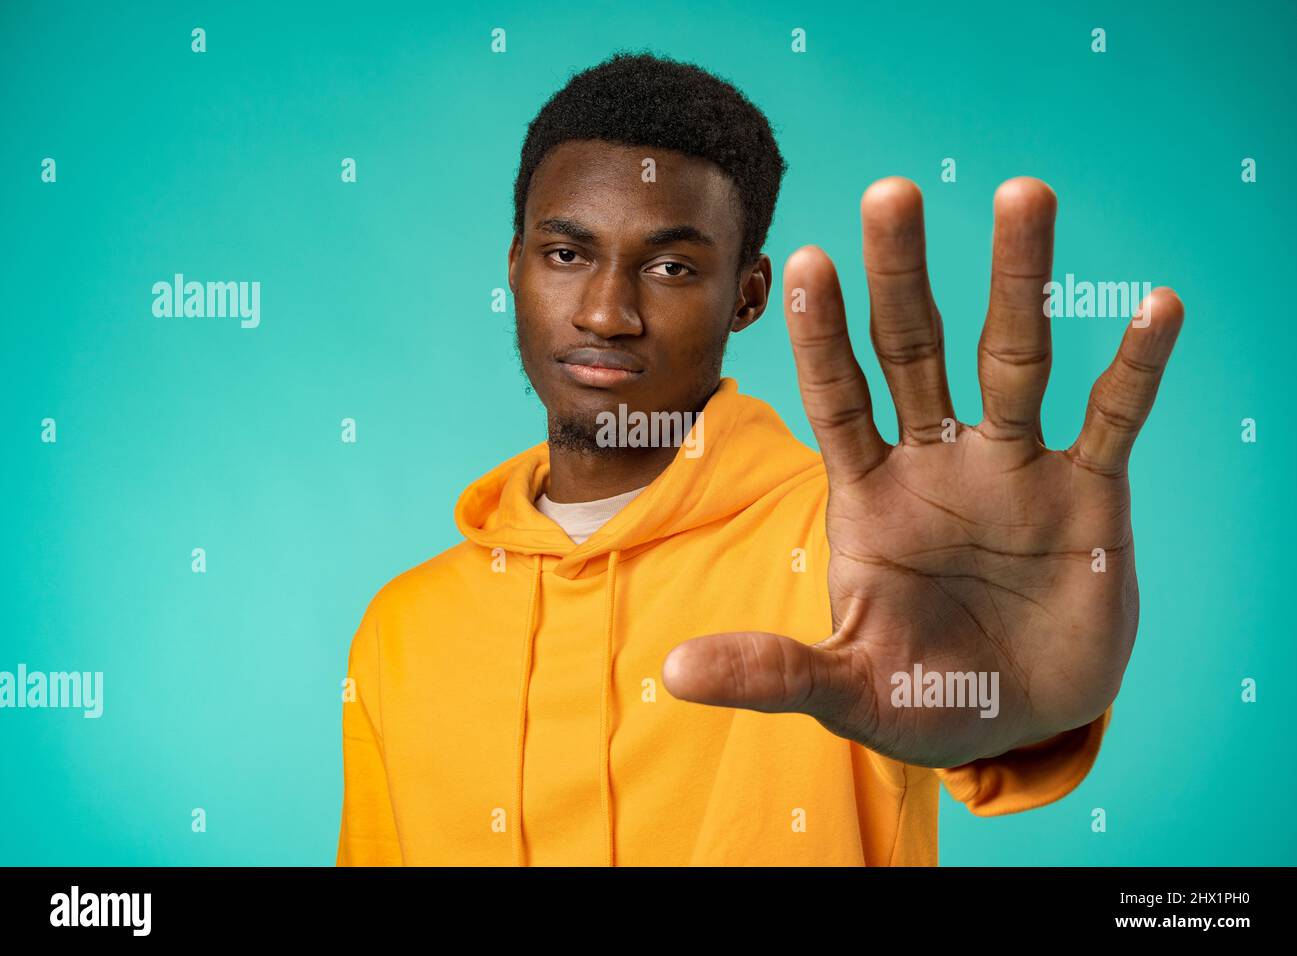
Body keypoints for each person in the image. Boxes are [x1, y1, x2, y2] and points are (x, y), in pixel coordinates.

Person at [335, 50, 1184, 866]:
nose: (604, 312)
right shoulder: (400, 628)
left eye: (670, 266)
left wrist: (1019, 705)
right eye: (566, 254)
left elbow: (990, 717)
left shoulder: (867, 541)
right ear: (515, 267)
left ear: (746, 297)